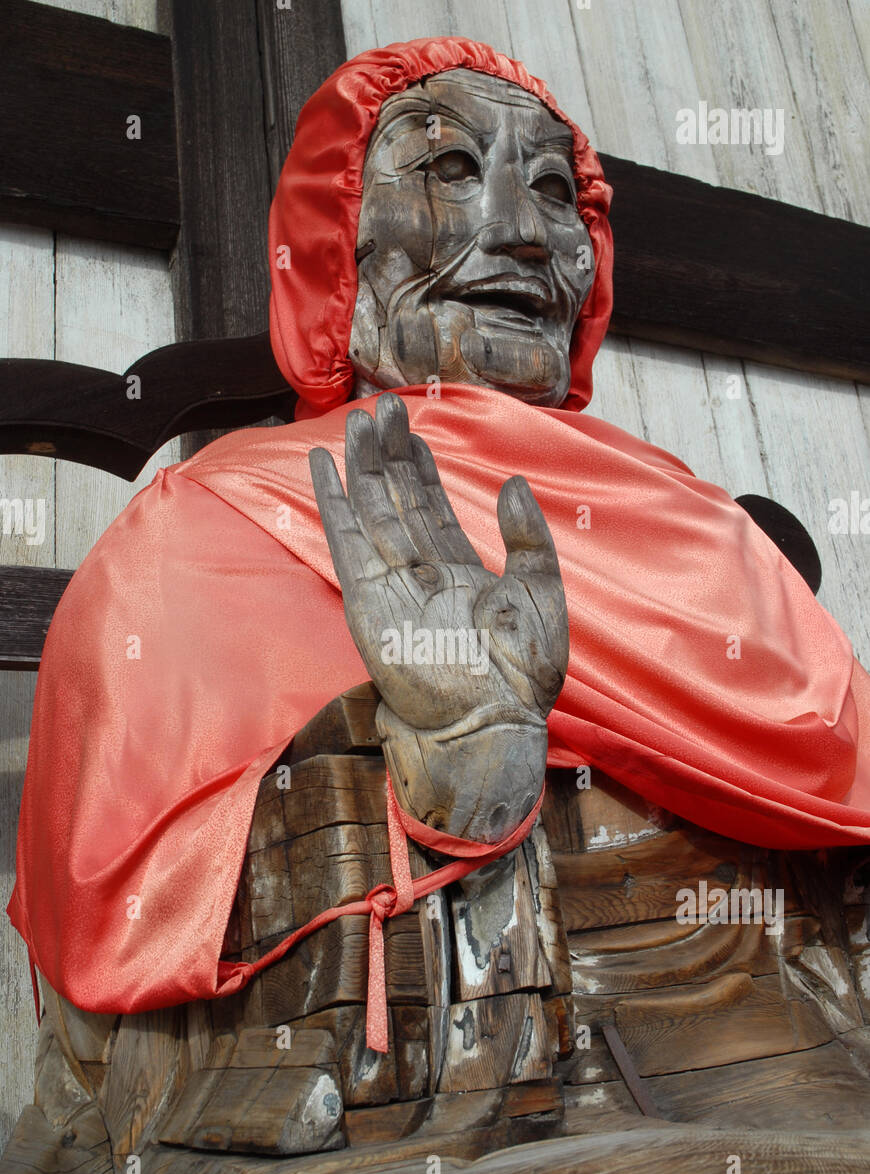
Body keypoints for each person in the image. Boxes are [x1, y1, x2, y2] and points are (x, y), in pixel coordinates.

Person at [9, 36, 870, 1019]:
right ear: (339, 235)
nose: (522, 233)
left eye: (554, 190)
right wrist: (465, 767)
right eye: (450, 168)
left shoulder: (705, 528)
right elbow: (120, 973)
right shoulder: (200, 533)